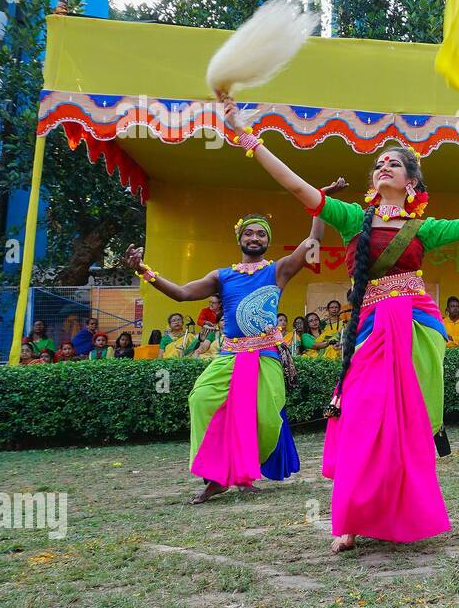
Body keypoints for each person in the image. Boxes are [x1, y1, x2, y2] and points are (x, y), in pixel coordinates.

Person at [237, 94, 459, 553]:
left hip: (417, 327)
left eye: (394, 164)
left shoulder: (424, 229)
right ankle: (351, 516)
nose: (383, 167)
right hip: (369, 329)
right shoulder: (350, 219)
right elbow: (299, 189)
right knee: (361, 416)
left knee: (409, 423)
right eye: (379, 163)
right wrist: (251, 142)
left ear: (410, 180)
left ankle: (405, 511)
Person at [125, 208, 321, 504]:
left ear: (268, 241)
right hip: (229, 354)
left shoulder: (277, 270)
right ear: (239, 238)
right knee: (201, 398)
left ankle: (244, 472)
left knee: (265, 418)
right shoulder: (222, 276)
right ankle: (216, 477)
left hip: (266, 353)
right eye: (249, 233)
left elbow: (312, 242)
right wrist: (146, 272)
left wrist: (319, 206)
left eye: (261, 234)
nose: (254, 238)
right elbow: (182, 293)